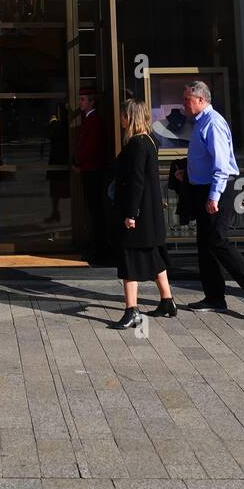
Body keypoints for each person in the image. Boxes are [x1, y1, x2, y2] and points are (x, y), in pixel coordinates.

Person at [181, 80, 244, 318]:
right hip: (204, 188)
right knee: (206, 244)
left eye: (187, 100)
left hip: (218, 190)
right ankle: (214, 297)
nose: (184, 104)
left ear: (201, 100)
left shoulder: (212, 123)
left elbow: (222, 165)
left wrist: (214, 195)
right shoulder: (201, 122)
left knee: (217, 241)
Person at [109, 99, 177, 329]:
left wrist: (131, 214)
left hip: (139, 213)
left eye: (123, 115)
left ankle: (132, 310)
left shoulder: (137, 144)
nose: (120, 119)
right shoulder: (150, 140)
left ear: (130, 117)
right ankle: (167, 301)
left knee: (130, 259)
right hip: (150, 212)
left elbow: (137, 181)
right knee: (154, 255)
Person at [73, 87, 108, 263]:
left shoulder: (94, 121)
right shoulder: (89, 119)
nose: (80, 103)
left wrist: (79, 162)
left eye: (83, 99)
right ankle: (94, 247)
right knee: (92, 210)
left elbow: (90, 147)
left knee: (94, 211)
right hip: (89, 169)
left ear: (92, 102)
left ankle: (97, 249)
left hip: (93, 170)